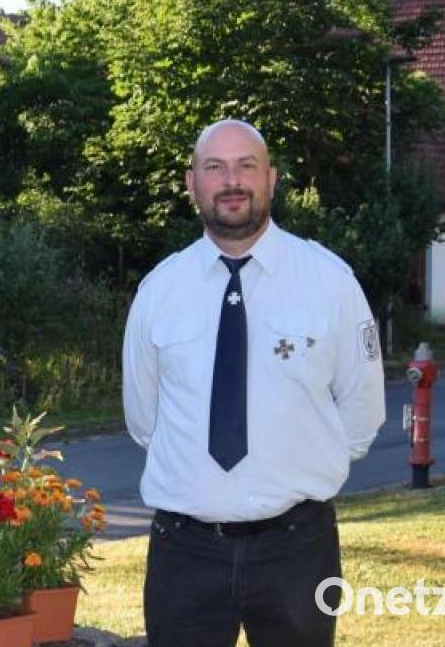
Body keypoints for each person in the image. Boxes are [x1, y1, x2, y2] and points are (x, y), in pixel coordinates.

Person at [122, 119, 385, 646]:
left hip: (297, 550)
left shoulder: (330, 281)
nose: (232, 180)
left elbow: (362, 410)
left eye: (247, 165)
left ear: (273, 178)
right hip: (185, 554)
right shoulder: (159, 290)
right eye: (215, 167)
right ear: (191, 182)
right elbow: (143, 417)